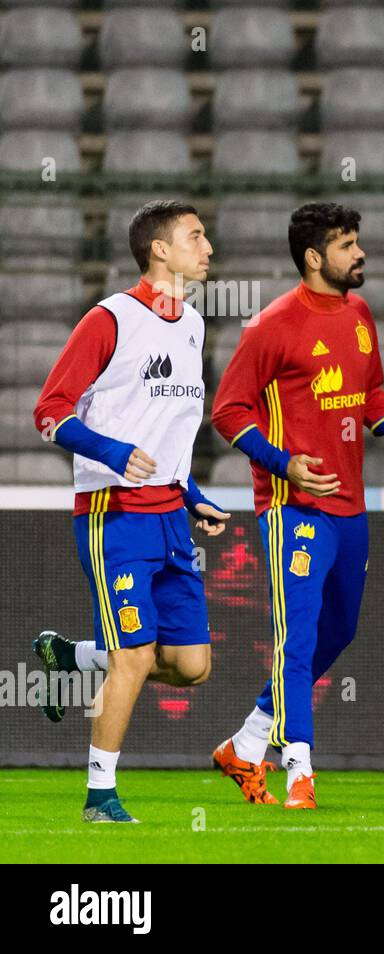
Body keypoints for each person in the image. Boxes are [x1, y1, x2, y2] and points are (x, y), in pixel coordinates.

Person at [209, 201, 384, 809]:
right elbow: (228, 411)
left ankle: (246, 743)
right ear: (314, 258)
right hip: (293, 507)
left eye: (357, 241)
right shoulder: (270, 325)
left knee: (339, 630)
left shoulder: (360, 313)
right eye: (345, 244)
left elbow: (371, 398)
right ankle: (300, 772)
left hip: (350, 508)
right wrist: (286, 466)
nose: (359, 252)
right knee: (300, 637)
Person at [32, 199, 229, 822]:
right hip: (113, 512)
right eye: (196, 237)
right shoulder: (109, 318)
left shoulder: (194, 324)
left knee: (190, 665)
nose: (209, 248)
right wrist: (111, 450)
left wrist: (193, 494)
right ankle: (99, 797)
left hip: (171, 511)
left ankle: (70, 658)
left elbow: (169, 431)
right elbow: (49, 412)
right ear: (160, 250)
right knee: (137, 657)